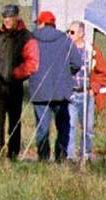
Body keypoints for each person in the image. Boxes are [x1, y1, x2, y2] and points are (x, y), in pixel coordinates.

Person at [19, 11, 83, 162]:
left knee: (42, 127)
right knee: (63, 126)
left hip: (39, 91)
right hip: (61, 92)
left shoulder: (31, 40)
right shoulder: (66, 40)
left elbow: (25, 62)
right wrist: (68, 74)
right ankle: (60, 157)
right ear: (53, 23)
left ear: (41, 23)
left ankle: (43, 157)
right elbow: (77, 63)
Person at [0, 5, 33, 162]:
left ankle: (13, 153)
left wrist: (16, 74)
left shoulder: (25, 36)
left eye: (10, 17)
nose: (6, 20)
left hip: (15, 85)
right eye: (4, 17)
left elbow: (32, 62)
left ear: (17, 17)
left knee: (14, 121)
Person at [65, 21, 106, 161]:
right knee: (71, 126)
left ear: (81, 34)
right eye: (68, 31)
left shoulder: (92, 51)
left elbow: (105, 74)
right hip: (71, 94)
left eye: (72, 32)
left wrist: (94, 88)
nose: (69, 35)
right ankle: (70, 156)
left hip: (87, 94)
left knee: (88, 128)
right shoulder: (66, 50)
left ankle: (86, 155)